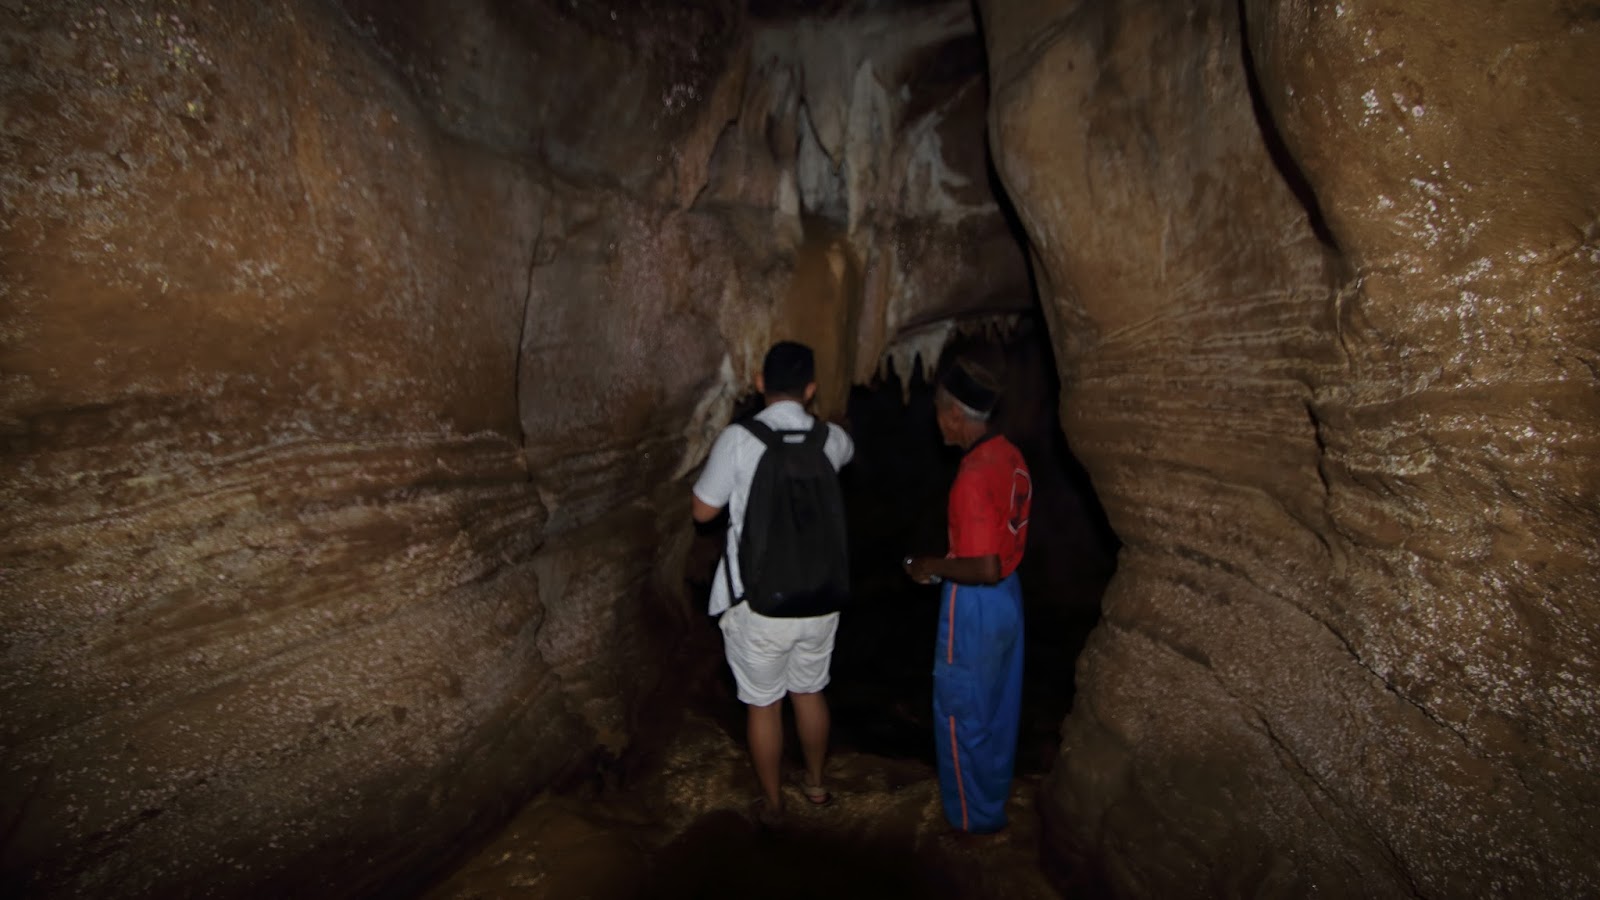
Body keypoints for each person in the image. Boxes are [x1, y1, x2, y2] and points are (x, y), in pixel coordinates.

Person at [691, 341, 854, 826]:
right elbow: (844, 453)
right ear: (810, 388)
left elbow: (703, 511)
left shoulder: (740, 441)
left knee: (765, 705)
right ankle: (817, 787)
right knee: (810, 692)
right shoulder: (832, 440)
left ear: (760, 383)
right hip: (820, 599)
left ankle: (775, 805)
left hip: (758, 604)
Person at [904, 358, 1032, 834]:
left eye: (939, 411)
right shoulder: (1011, 456)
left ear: (955, 416)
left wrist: (932, 566)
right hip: (1010, 601)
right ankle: (992, 804)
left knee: (960, 715)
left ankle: (970, 826)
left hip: (976, 604)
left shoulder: (972, 476)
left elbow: (983, 566)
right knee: (998, 709)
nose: (937, 422)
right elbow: (999, 557)